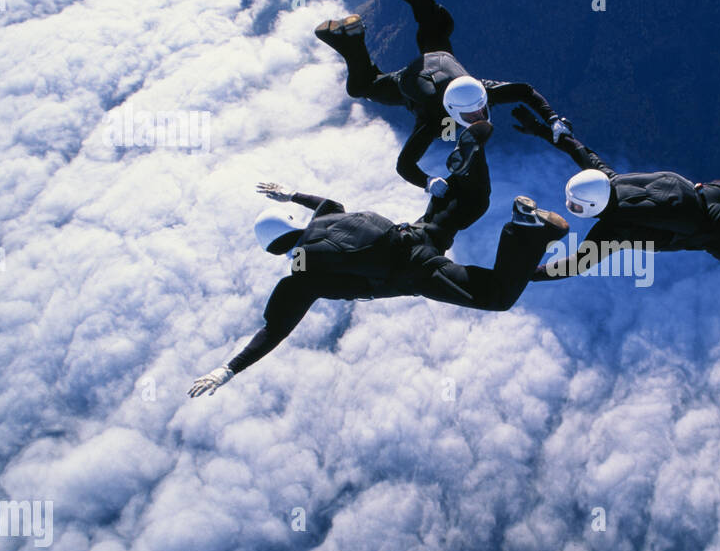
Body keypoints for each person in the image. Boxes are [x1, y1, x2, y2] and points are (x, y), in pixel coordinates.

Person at [187, 122, 568, 395]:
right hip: (417, 233)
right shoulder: (323, 218)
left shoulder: (301, 276)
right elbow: (327, 202)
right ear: (291, 221)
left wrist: (229, 369)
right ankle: (466, 159)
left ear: (275, 249)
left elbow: (275, 329)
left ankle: (524, 227)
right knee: (471, 202)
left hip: (419, 272)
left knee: (497, 296)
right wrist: (292, 194)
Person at [314, 0, 571, 200]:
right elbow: (404, 165)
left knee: (438, 24)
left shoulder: (479, 93)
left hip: (440, 61)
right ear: (451, 110)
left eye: (479, 110)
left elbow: (525, 91)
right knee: (361, 87)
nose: (479, 116)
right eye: (472, 115)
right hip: (413, 79)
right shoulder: (436, 119)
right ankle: (357, 36)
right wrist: (427, 182)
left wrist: (552, 119)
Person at [512, 107, 720, 283]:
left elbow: (573, 266)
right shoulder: (610, 178)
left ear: (590, 207)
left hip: (711, 229)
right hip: (711, 192)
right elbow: (579, 150)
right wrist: (544, 129)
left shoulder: (613, 230)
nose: (570, 208)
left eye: (574, 206)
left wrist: (526, 274)